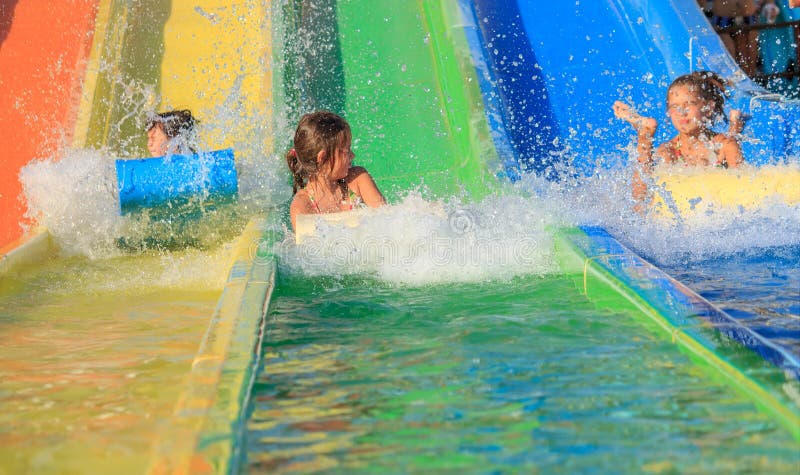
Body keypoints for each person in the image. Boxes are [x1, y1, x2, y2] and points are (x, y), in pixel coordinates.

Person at [613, 71, 744, 203]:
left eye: (689, 104)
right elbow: (642, 197)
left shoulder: (725, 146)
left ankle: (735, 126)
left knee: (733, 139)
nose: (682, 112)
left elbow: (743, 188)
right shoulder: (669, 151)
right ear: (669, 112)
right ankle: (644, 137)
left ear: (708, 108)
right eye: (675, 106)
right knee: (641, 204)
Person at [286, 110, 385, 231]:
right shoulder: (302, 206)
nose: (352, 155)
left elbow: (386, 221)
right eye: (346, 150)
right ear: (322, 158)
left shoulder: (357, 180)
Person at [710, 0, 763, 76]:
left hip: (748, 16)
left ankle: (749, 85)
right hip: (723, 18)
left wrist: (770, 4)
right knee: (729, 62)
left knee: (749, 64)